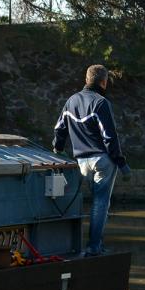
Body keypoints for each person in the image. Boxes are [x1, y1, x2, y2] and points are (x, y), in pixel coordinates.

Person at [52, 64, 131, 256]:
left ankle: (74, 245)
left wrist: (58, 149)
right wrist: (121, 163)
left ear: (86, 79)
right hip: (102, 161)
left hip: (81, 162)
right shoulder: (101, 103)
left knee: (80, 201)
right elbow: (110, 137)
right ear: (103, 82)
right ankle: (94, 246)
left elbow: (59, 129)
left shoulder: (71, 101)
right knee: (101, 202)